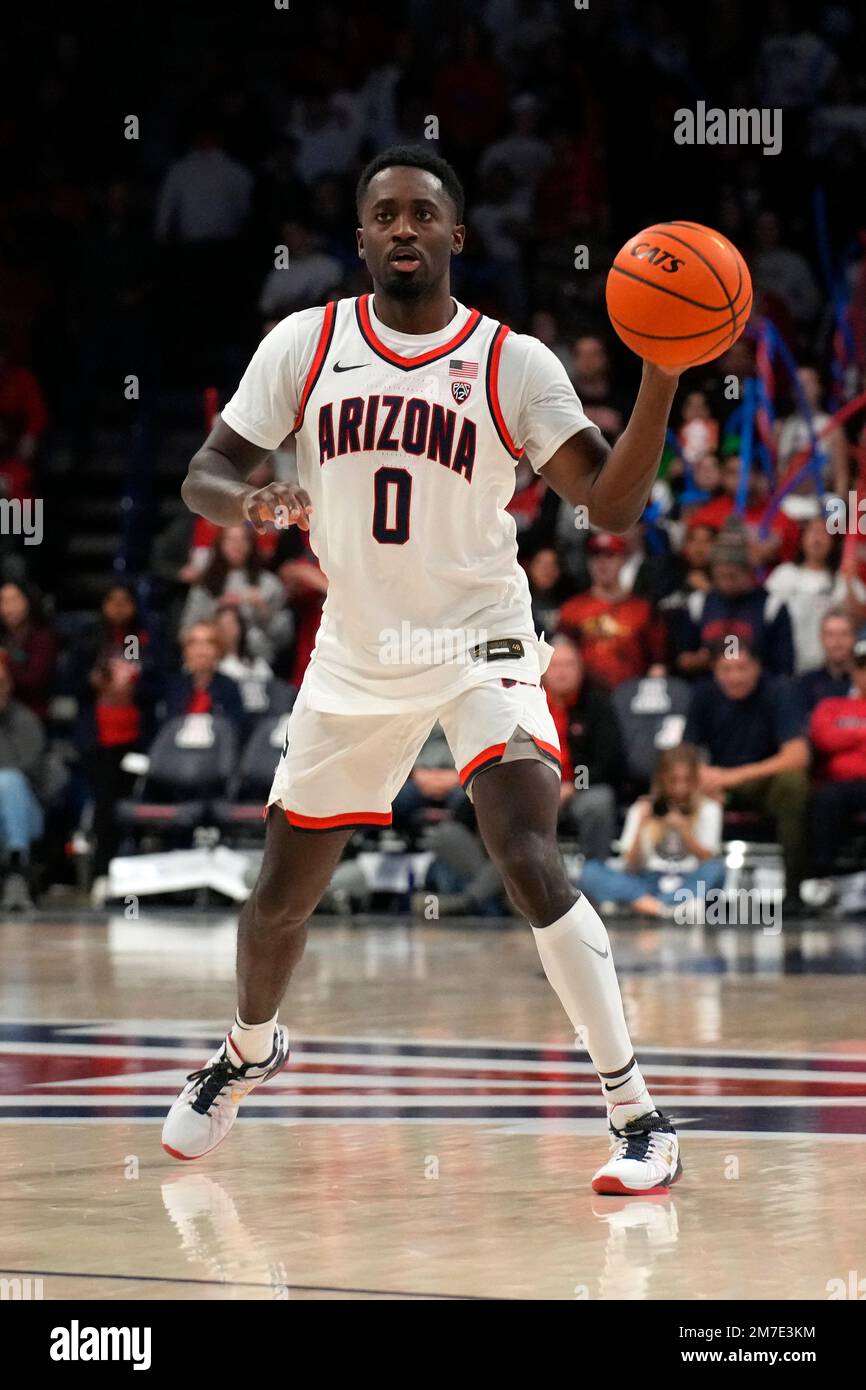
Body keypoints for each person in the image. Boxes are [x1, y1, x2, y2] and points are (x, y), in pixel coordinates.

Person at [164, 144, 685, 1196]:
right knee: (278, 901)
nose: (403, 227)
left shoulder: (511, 363)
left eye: (422, 213)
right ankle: (247, 1049)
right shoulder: (304, 345)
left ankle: (638, 1114)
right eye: (385, 214)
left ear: (456, 235)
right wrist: (248, 501)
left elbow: (612, 504)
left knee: (526, 854)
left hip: (479, 641)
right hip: (356, 651)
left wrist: (662, 372)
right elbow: (203, 472)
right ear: (361, 237)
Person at [684, 640, 809, 909]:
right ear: (715, 671)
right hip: (717, 786)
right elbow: (684, 755)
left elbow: (798, 756)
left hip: (763, 782)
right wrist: (701, 778)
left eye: (742, 668)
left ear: (757, 667)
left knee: (794, 784)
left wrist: (733, 776)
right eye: (726, 669)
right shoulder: (703, 694)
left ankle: (793, 894)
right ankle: (683, 892)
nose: (735, 677)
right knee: (680, 784)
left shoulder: (778, 691)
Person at [580, 744, 725, 918]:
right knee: (591, 871)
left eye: (687, 780)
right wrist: (642, 824)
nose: (680, 788)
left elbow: (708, 859)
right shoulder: (643, 808)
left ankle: (638, 905)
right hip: (646, 881)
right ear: (662, 779)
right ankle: (665, 908)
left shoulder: (709, 808)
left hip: (687, 880)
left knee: (717, 869)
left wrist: (684, 831)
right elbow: (631, 865)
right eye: (673, 780)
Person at [542, 635, 623, 861]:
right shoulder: (531, 704)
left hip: (581, 789)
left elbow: (607, 761)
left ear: (580, 669)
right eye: (555, 665)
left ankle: (594, 872)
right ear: (543, 670)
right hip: (538, 789)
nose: (562, 672)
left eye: (569, 665)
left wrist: (572, 786)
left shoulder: (598, 703)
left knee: (599, 801)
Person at [675, 526, 795, 678]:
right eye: (721, 576)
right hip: (708, 684)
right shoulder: (697, 603)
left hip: (759, 685)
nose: (726, 583)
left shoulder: (772, 606)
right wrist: (701, 660)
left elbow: (784, 668)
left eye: (732, 576)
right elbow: (681, 660)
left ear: (749, 572)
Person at [556, 532, 666, 688]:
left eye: (610, 556)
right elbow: (559, 657)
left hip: (632, 693)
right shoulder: (572, 609)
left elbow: (658, 663)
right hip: (585, 696)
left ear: (623, 560)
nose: (602, 563)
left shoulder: (643, 610)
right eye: (596, 556)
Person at [179, 525, 293, 665]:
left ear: (251, 544)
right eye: (230, 539)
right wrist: (217, 609)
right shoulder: (205, 584)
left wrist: (263, 611)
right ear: (220, 544)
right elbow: (186, 632)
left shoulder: (269, 584)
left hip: (257, 663)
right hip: (212, 663)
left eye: (243, 540)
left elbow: (285, 638)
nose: (237, 546)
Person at [765, 517, 865, 672]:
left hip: (832, 671)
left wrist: (849, 582)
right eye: (812, 532)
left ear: (833, 542)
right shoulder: (784, 574)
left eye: (824, 533)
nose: (817, 538)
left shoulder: (843, 578)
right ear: (802, 539)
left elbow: (860, 620)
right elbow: (768, 620)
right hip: (788, 666)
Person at [807, 639, 866, 879]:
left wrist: (847, 737)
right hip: (837, 784)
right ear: (853, 672)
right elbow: (824, 739)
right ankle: (822, 878)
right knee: (826, 798)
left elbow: (835, 738)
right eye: (862, 667)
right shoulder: (831, 706)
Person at [0, 652, 46, 910]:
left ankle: (17, 871)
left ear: (8, 685)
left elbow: (28, 770)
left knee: (9, 781)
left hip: (25, 810)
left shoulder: (25, 721)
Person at [162, 622, 246, 735]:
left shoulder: (229, 688)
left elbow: (234, 731)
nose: (201, 650)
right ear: (185, 651)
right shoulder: (174, 687)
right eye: (194, 643)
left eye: (209, 642)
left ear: (219, 650)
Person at [0, 581, 57, 720]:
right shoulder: (2, 636)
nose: (7, 608)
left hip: (30, 712)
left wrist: (5, 662)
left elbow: (33, 679)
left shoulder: (42, 637)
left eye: (13, 600)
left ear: (28, 602)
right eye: (3, 601)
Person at [794, 607, 857, 726]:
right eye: (830, 635)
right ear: (821, 639)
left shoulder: (862, 683)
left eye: (844, 634)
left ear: (854, 638)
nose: (837, 642)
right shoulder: (805, 684)